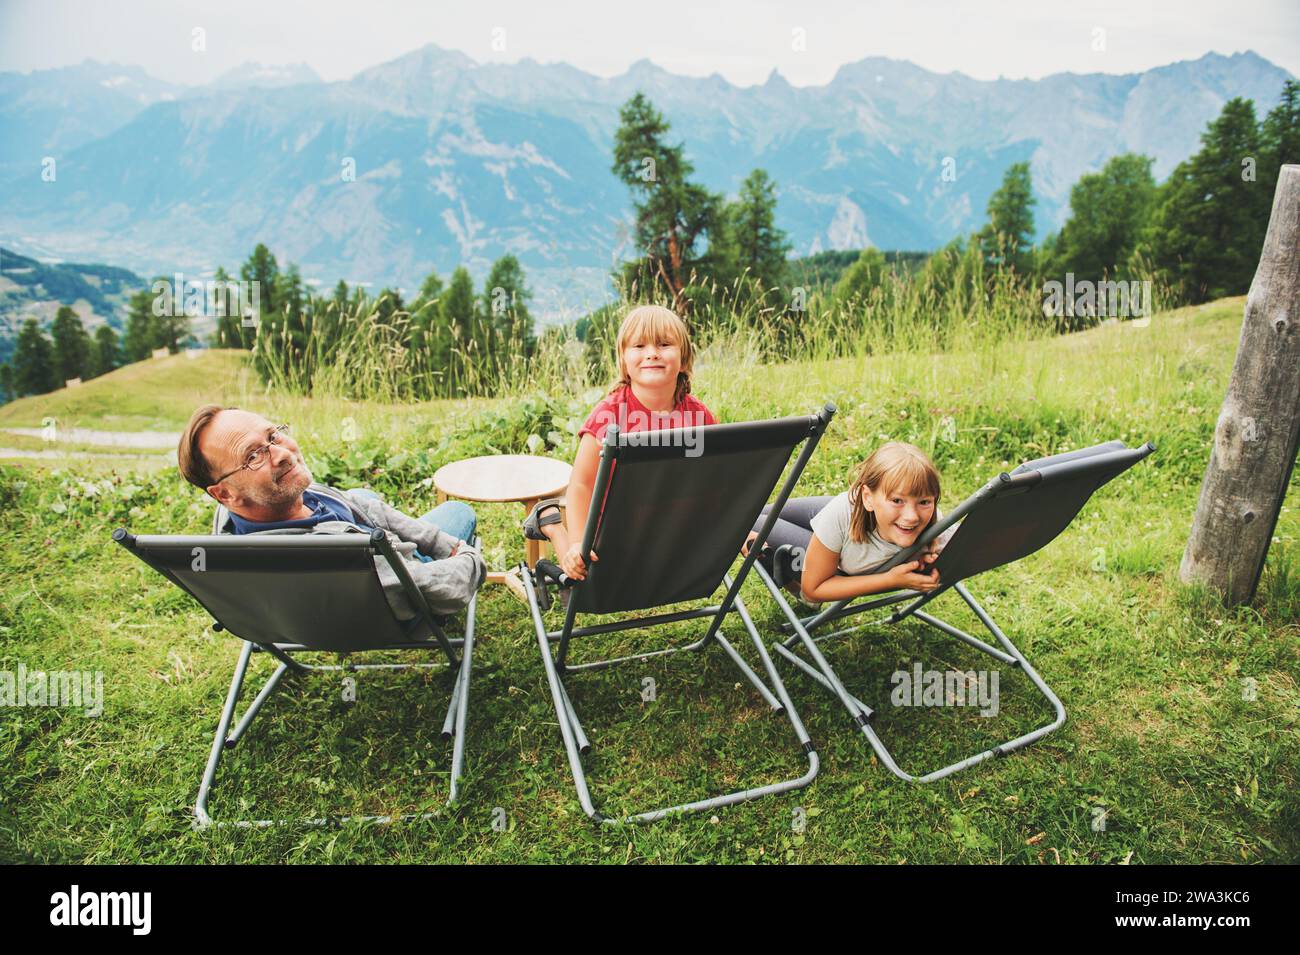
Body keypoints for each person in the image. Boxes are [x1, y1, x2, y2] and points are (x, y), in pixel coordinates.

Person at [176, 404, 485, 619]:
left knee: (359, 498)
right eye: (253, 456)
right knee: (458, 512)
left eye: (273, 436)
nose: (283, 454)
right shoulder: (340, 553)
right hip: (379, 595)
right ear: (224, 493)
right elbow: (435, 588)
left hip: (319, 596)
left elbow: (358, 503)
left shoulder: (230, 528)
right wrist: (468, 558)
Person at [523, 304, 717, 580]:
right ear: (624, 361)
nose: (652, 353)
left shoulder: (698, 414)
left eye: (664, 344)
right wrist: (579, 543)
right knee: (580, 566)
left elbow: (715, 479)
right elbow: (580, 485)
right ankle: (552, 522)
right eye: (639, 346)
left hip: (668, 530)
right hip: (612, 533)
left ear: (684, 360)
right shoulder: (608, 415)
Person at [742, 441, 956, 605]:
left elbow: (813, 589)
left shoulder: (939, 529)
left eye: (924, 501)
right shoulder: (842, 513)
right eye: (897, 500)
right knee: (749, 516)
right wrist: (891, 580)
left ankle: (784, 571)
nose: (912, 516)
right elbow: (813, 592)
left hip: (839, 553)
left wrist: (923, 561)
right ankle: (779, 565)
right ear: (868, 497)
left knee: (743, 523)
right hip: (847, 517)